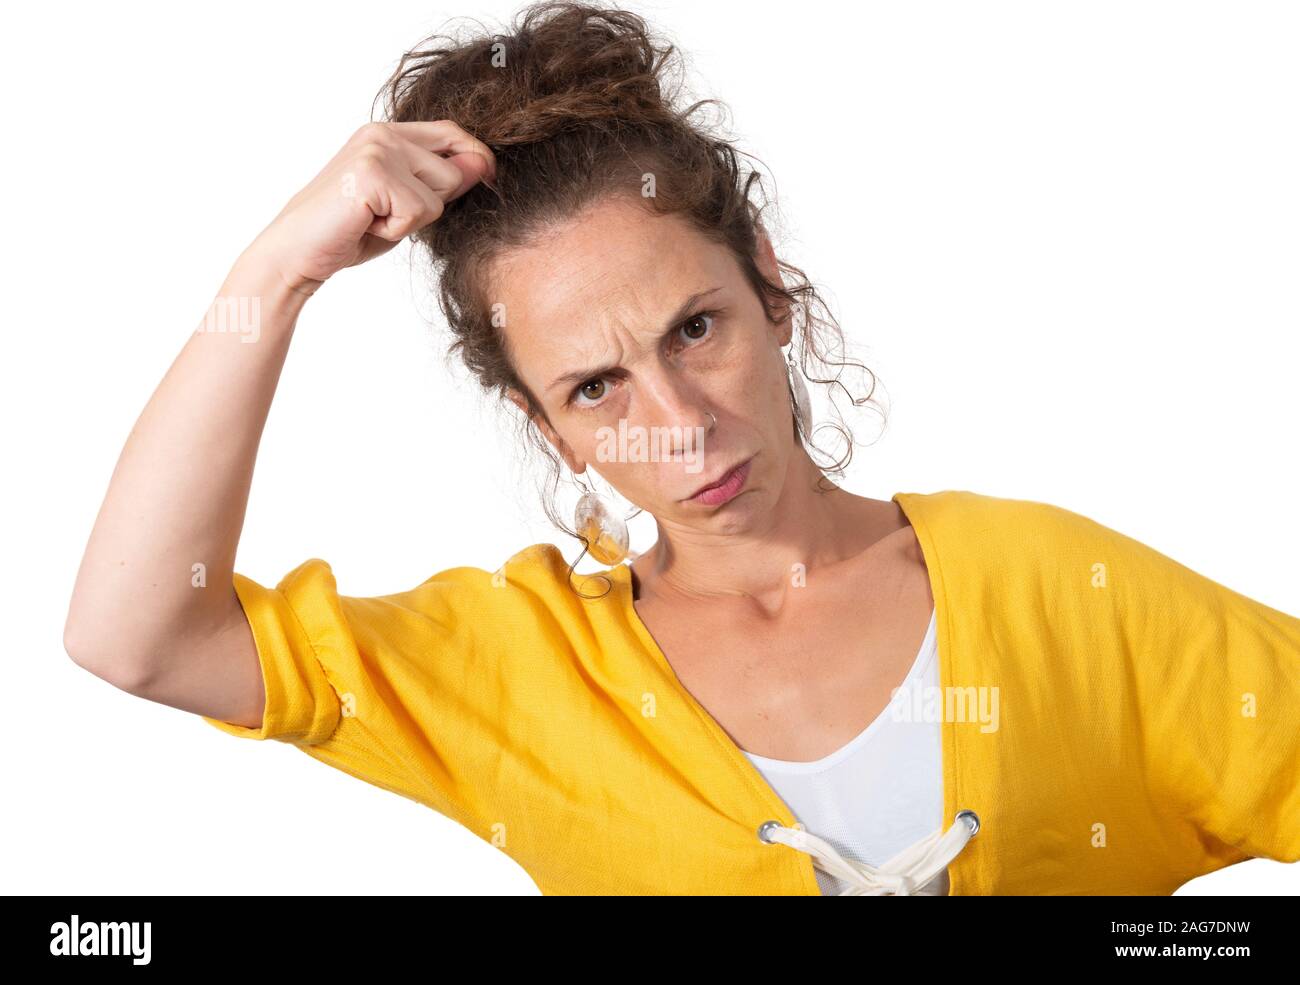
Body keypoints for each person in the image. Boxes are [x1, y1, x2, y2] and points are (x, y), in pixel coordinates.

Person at [63, 1, 1300, 896]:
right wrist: (274, 273)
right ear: (545, 423)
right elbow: (139, 637)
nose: (678, 419)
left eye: (693, 328)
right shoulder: (522, 672)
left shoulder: (1054, 588)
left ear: (769, 285)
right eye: (595, 386)